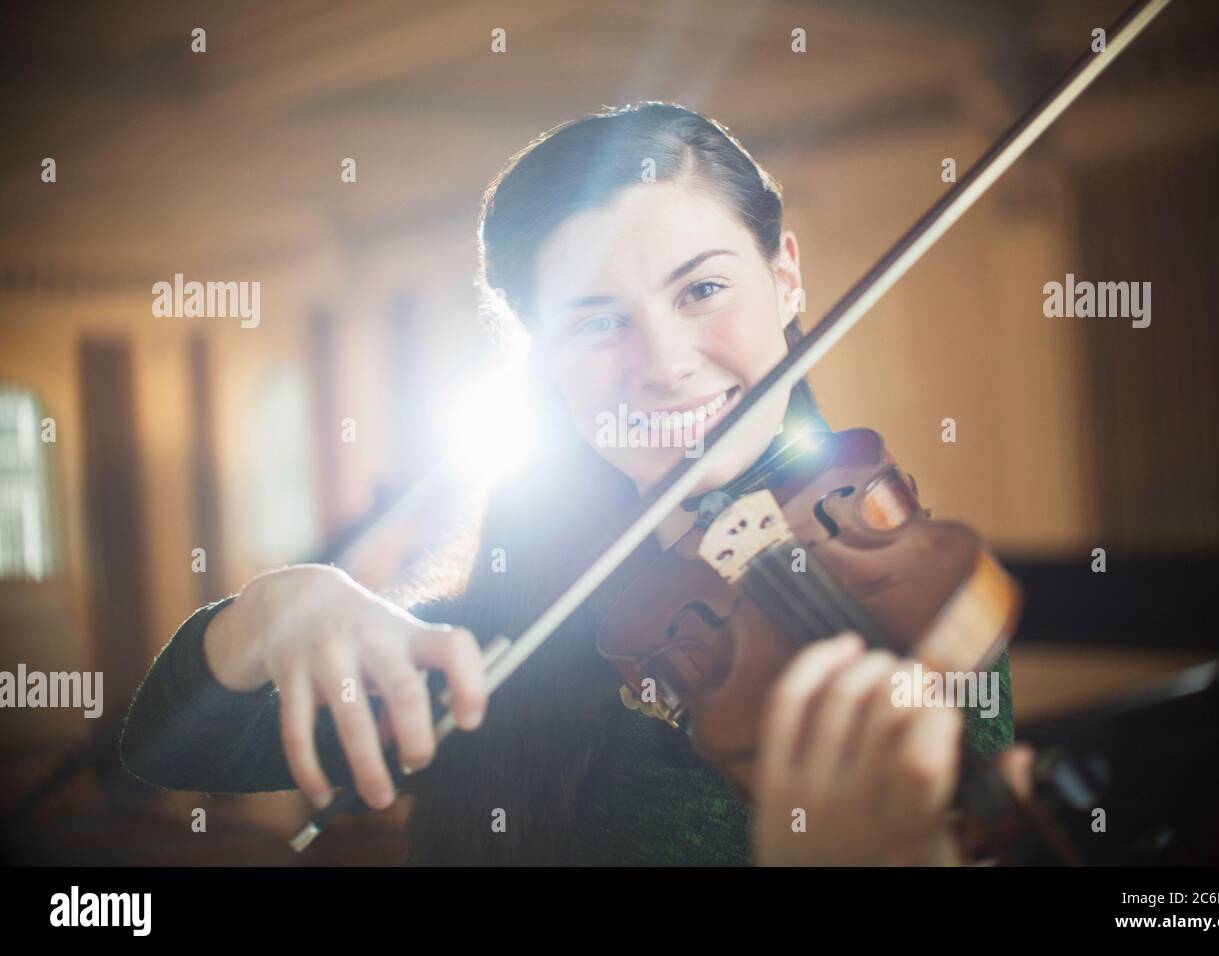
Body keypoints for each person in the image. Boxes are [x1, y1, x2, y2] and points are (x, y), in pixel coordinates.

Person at [119, 101, 1025, 866]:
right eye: (598, 325)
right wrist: (276, 610)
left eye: (701, 290)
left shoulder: (910, 600)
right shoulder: (511, 624)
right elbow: (168, 745)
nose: (664, 364)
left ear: (786, 276)